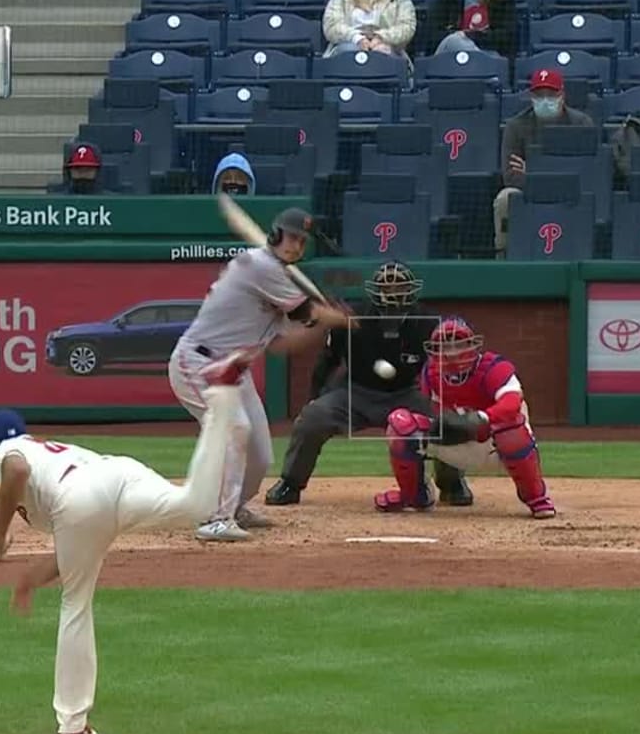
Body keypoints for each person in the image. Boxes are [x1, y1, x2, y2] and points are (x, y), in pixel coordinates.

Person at [0, 349, 256, 734]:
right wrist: (31, 578)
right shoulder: (48, 448)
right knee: (197, 506)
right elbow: (80, 536)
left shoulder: (3, 455)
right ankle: (221, 398)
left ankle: (72, 724)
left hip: (82, 496)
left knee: (76, 605)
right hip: (117, 473)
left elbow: (17, 471)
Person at [167, 208, 357, 542]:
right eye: (292, 237)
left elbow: (284, 344)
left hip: (234, 372)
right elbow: (305, 311)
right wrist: (335, 317)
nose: (296, 246)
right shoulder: (258, 265)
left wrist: (328, 322)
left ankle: (234, 505)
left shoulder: (280, 280)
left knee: (260, 454)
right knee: (234, 429)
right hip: (198, 364)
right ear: (275, 235)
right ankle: (216, 519)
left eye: (302, 241)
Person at [264, 261, 472, 507]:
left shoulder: (426, 322)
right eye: (388, 287)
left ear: (411, 289)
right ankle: (290, 483)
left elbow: (440, 369)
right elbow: (327, 361)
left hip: (407, 393)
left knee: (445, 421)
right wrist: (315, 397)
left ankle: (451, 483)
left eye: (400, 287)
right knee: (313, 418)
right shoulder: (352, 317)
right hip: (356, 393)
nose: (394, 292)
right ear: (376, 291)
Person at [375, 316, 556, 518]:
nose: (452, 353)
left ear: (472, 345)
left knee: (511, 429)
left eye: (458, 345)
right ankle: (415, 496)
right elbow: (437, 411)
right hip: (459, 443)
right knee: (400, 424)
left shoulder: (494, 367)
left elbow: (512, 403)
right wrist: (444, 425)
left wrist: (480, 418)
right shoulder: (431, 373)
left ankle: (536, 497)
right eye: (445, 347)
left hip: (495, 444)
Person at [493, 69, 596, 254]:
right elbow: (510, 177)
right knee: (505, 198)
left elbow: (589, 171)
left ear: (562, 95)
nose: (545, 100)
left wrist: (532, 172)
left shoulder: (582, 123)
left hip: (574, 193)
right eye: (540, 95)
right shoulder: (515, 126)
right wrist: (554, 177)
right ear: (531, 97)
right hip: (530, 192)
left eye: (551, 94)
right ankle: (504, 258)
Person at [321, 0, 418, 69]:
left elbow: (406, 27)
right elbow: (332, 27)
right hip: (347, 46)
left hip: (387, 47)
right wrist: (356, 38)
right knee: (350, 50)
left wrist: (382, 37)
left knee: (383, 53)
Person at [428, 0, 518, 59]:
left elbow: (507, 36)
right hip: (453, 56)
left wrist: (469, 36)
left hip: (490, 54)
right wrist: (458, 36)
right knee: (454, 41)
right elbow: (433, 32)